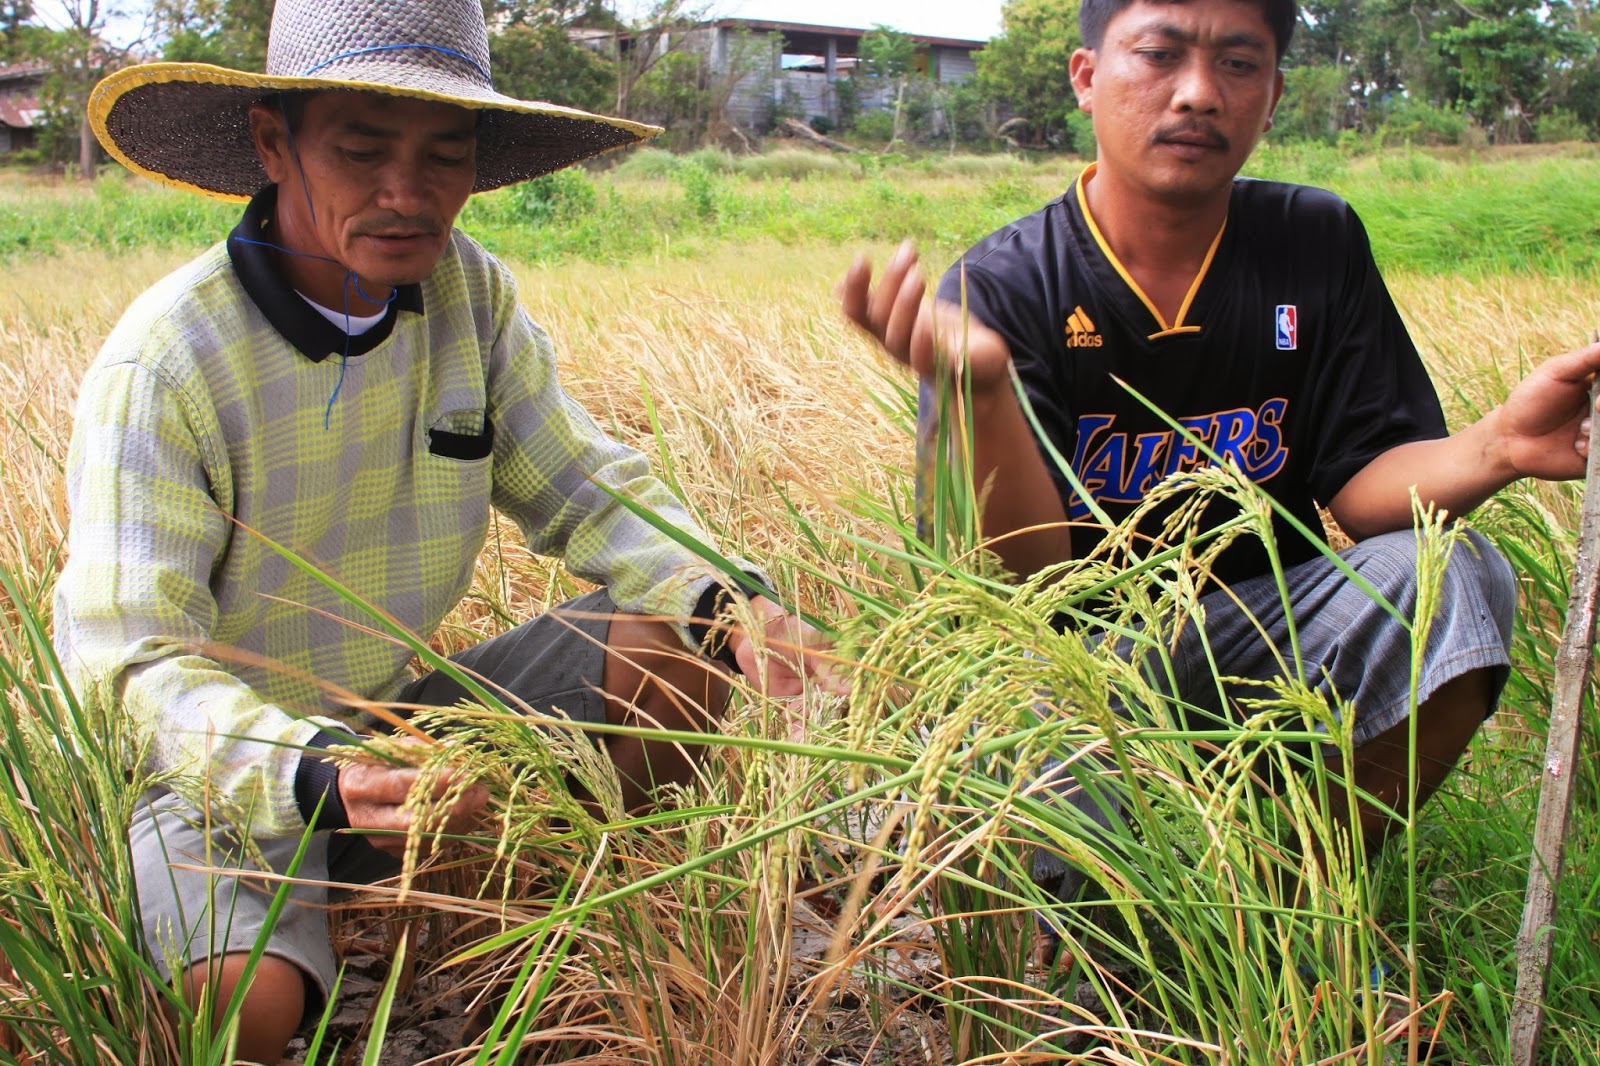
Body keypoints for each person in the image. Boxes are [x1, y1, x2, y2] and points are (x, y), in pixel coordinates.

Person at [56, 0, 826, 1060]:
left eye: (444, 154)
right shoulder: (169, 363)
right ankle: (269, 931)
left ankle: (516, 938)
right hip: (222, 768)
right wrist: (313, 775)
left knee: (677, 647)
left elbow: (588, 491)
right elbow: (130, 662)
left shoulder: (468, 295)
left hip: (392, 735)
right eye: (361, 150)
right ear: (273, 144)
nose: (407, 193)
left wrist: (732, 607)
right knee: (240, 1007)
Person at [841, 0, 1600, 898]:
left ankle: (1297, 905)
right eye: (1159, 54)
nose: (1198, 93)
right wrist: (983, 391)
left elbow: (1363, 490)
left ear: (1272, 95)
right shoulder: (1004, 287)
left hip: (1268, 638)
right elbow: (1018, 579)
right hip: (1075, 670)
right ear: (1087, 76)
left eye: (1239, 64)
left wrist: (1501, 443)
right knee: (1081, 914)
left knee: (1456, 572)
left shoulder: (1313, 241)